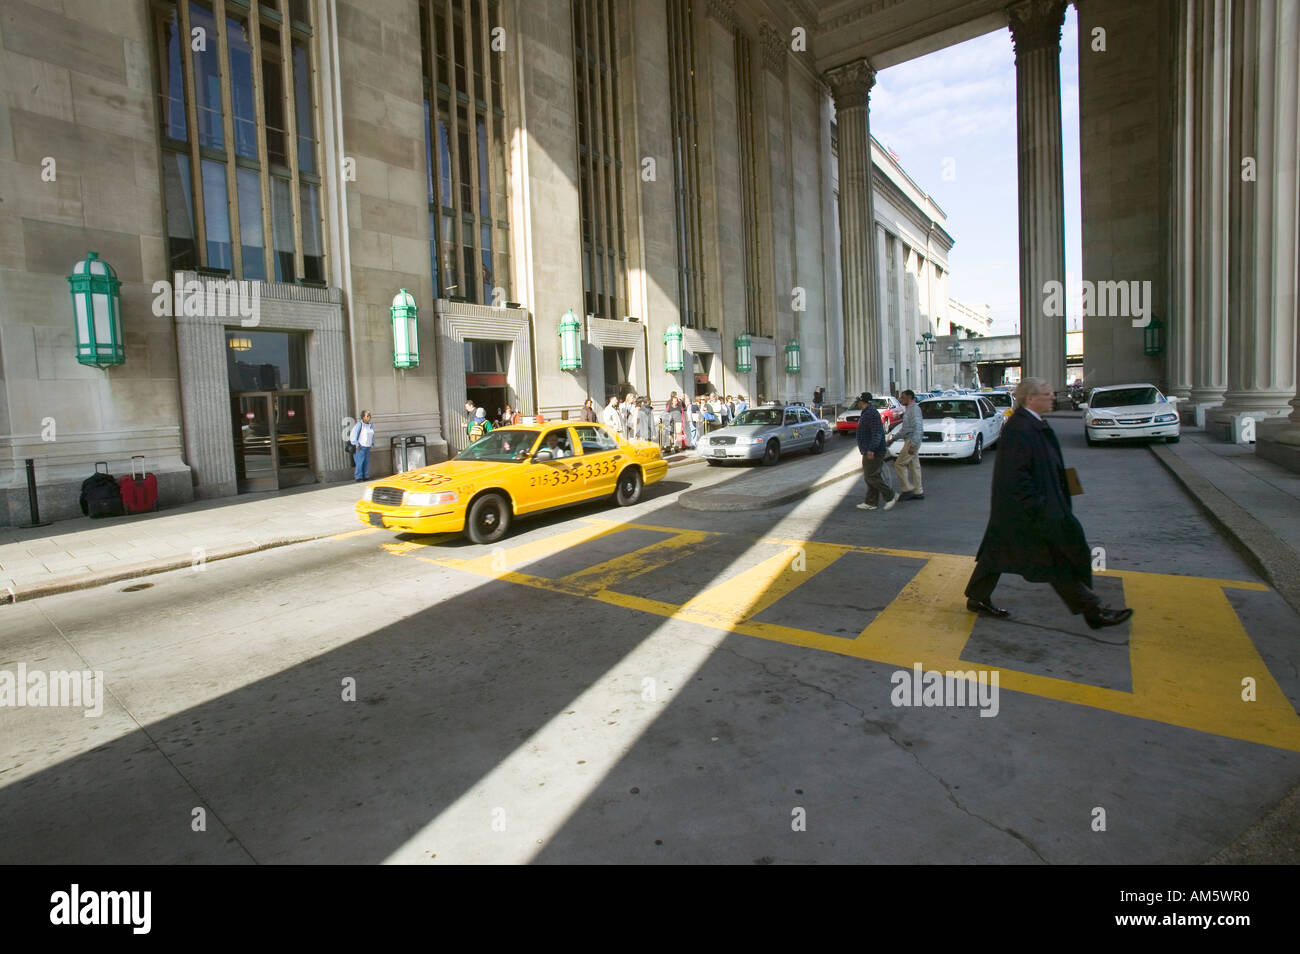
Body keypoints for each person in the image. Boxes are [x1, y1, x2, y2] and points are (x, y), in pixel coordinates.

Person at [964, 377, 1134, 630]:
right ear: (1031, 398)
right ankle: (1093, 611)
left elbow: (1045, 464)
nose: (1052, 397)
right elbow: (1015, 477)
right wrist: (1041, 508)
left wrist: (1065, 486)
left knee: (995, 553)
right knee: (1055, 562)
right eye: (1046, 394)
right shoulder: (1020, 428)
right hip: (1028, 512)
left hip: (1020, 511)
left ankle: (977, 596)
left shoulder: (1032, 423)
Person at [855, 392, 896, 511]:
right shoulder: (867, 412)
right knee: (872, 476)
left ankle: (890, 495)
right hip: (869, 450)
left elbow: (877, 433)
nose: (857, 403)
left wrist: (871, 449)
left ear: (862, 402)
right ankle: (871, 502)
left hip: (873, 451)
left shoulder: (871, 414)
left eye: (858, 401)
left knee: (871, 477)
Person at [888, 389, 924, 501]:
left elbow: (918, 428)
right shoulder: (909, 409)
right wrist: (893, 439)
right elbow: (904, 429)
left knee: (899, 464)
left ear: (909, 397)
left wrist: (913, 444)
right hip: (910, 440)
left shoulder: (914, 410)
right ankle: (918, 491)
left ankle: (907, 489)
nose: (900, 399)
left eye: (902, 397)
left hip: (911, 441)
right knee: (914, 467)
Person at [350, 410, 374, 482]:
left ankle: (365, 476)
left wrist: (372, 443)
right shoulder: (359, 425)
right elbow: (354, 435)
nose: (369, 417)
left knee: (366, 462)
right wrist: (356, 444)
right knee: (359, 462)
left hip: (367, 446)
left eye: (369, 415)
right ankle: (358, 477)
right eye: (367, 416)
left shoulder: (370, 425)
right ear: (363, 417)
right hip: (360, 446)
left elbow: (372, 435)